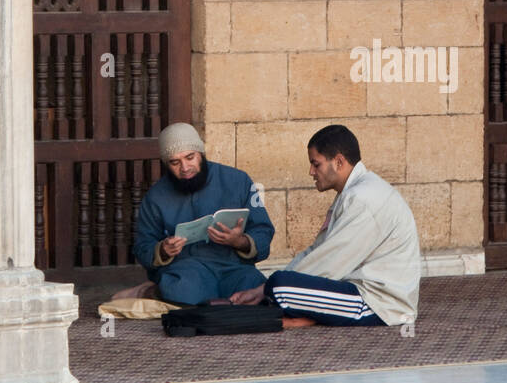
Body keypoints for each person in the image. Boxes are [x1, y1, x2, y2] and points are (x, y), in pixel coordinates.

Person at [230, 124, 420, 326]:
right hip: (358, 289)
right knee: (276, 283)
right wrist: (265, 286)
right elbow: (317, 250)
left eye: (316, 164)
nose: (311, 171)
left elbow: (332, 260)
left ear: (338, 162)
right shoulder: (353, 193)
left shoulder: (363, 198)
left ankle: (305, 317)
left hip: (381, 304)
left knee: (280, 287)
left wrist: (270, 287)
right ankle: (305, 313)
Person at [133, 123, 275, 304]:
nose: (184, 168)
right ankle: (154, 290)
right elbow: (142, 246)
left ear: (201, 153)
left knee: (257, 288)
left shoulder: (239, 180)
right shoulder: (156, 196)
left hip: (233, 267)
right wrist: (163, 250)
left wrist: (239, 241)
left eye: (190, 157)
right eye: (175, 162)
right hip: (186, 270)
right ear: (166, 164)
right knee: (182, 291)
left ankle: (157, 292)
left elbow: (263, 230)